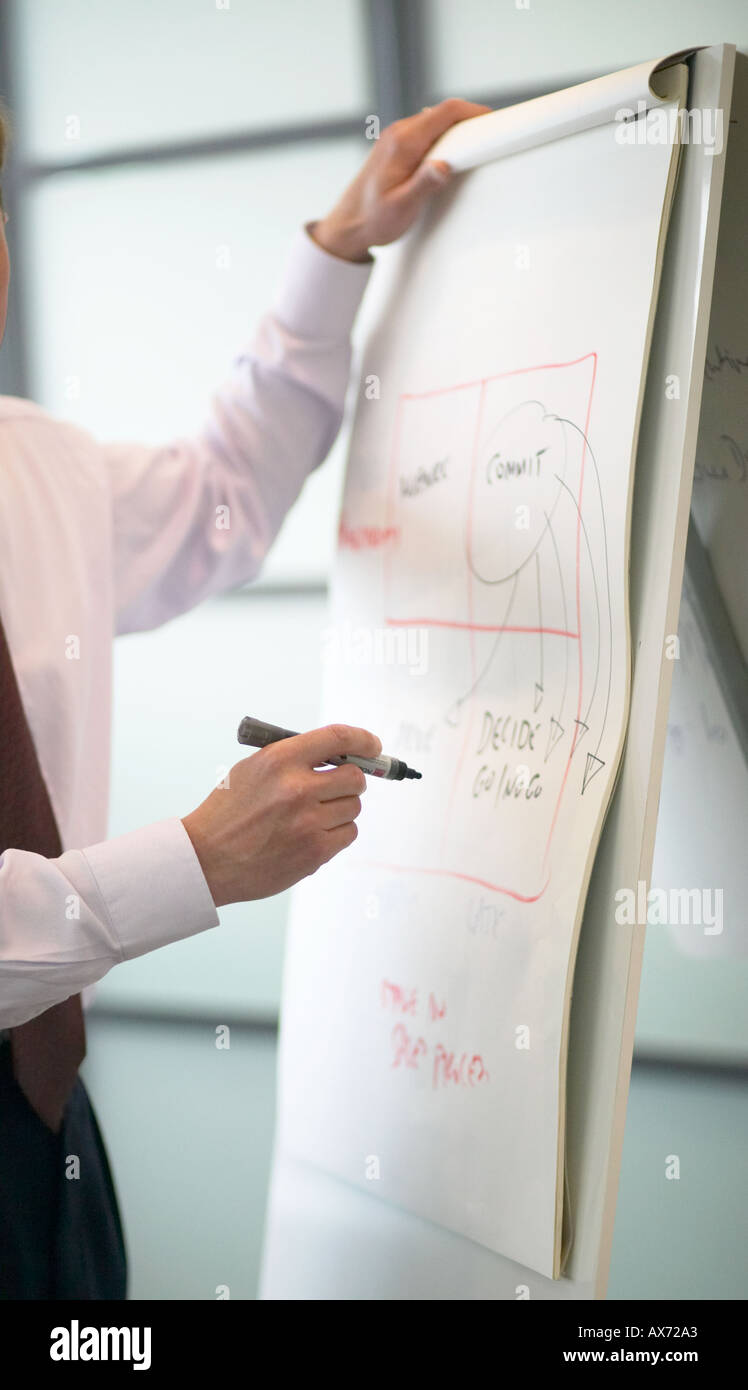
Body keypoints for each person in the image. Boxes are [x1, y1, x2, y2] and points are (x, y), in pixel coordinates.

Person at [0, 95, 490, 1298]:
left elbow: (227, 489)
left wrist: (337, 248)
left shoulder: (35, 467)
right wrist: (196, 863)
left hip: (48, 1123)